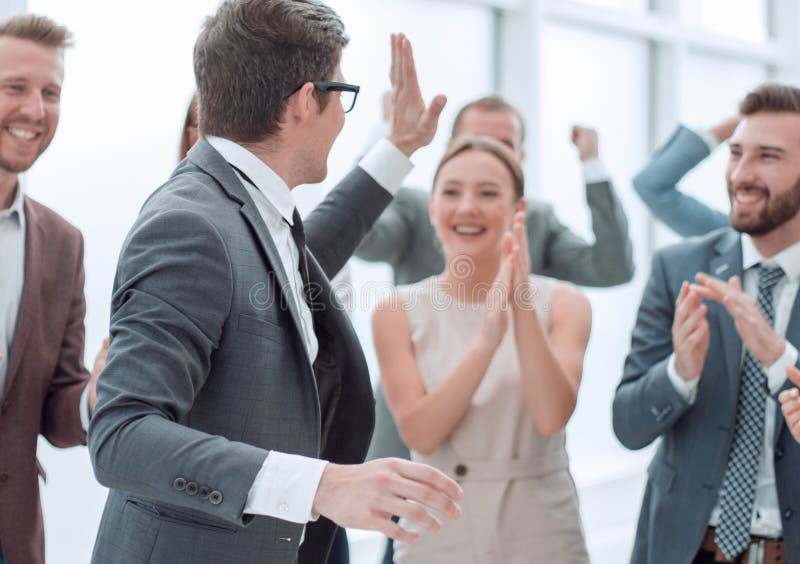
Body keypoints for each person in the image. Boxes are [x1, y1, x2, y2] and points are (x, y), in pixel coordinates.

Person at [87, 2, 463, 563]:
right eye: (341, 96)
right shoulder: (189, 223)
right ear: (304, 102)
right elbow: (121, 435)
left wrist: (399, 148)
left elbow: (305, 260)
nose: (343, 117)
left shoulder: (247, 203)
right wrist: (323, 486)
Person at [373, 136, 591, 563]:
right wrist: (488, 340)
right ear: (432, 208)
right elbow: (420, 433)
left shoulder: (566, 303)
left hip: (542, 526)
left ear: (517, 211)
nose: (467, 207)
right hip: (438, 525)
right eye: (451, 192)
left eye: (488, 193)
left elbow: (551, 416)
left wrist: (521, 302)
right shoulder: (396, 310)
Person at [613, 83, 800, 563]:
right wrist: (680, 373)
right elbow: (627, 426)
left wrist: (779, 358)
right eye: (736, 153)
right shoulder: (679, 269)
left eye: (768, 157)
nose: (740, 174)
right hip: (687, 548)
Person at [0, 14, 107, 564]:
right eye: (14, 87)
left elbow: (56, 415)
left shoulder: (64, 245)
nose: (34, 111)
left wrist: (96, 395)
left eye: (50, 93)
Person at [633, 115, 741, 237]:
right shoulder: (731, 237)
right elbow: (651, 185)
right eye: (737, 153)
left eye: (766, 155)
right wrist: (750, 116)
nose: (742, 175)